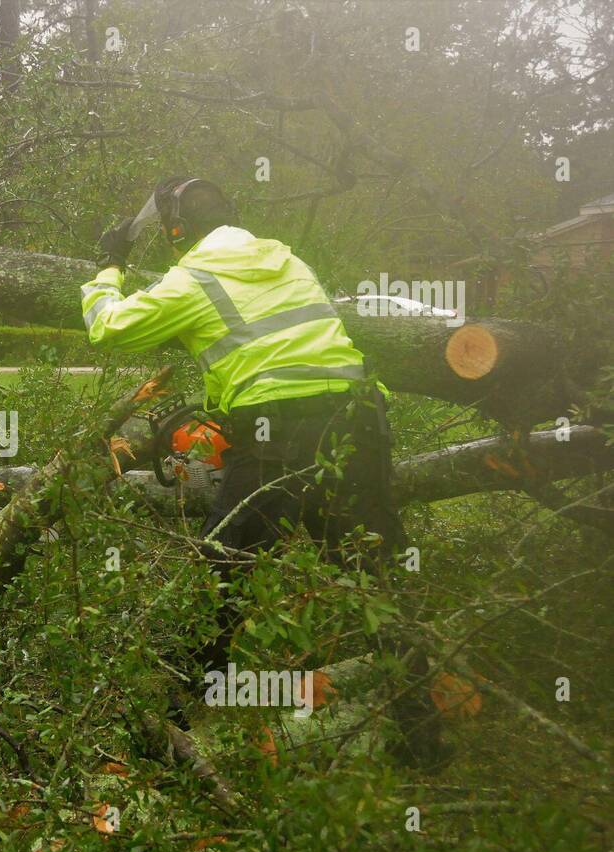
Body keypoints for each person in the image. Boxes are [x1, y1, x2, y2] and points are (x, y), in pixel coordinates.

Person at [82, 177, 441, 761]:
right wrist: (222, 409)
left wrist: (108, 265)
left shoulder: (192, 277)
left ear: (175, 232)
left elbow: (108, 328)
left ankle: (172, 730)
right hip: (357, 417)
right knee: (372, 571)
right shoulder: (284, 258)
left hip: (282, 426)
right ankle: (421, 735)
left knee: (222, 568)